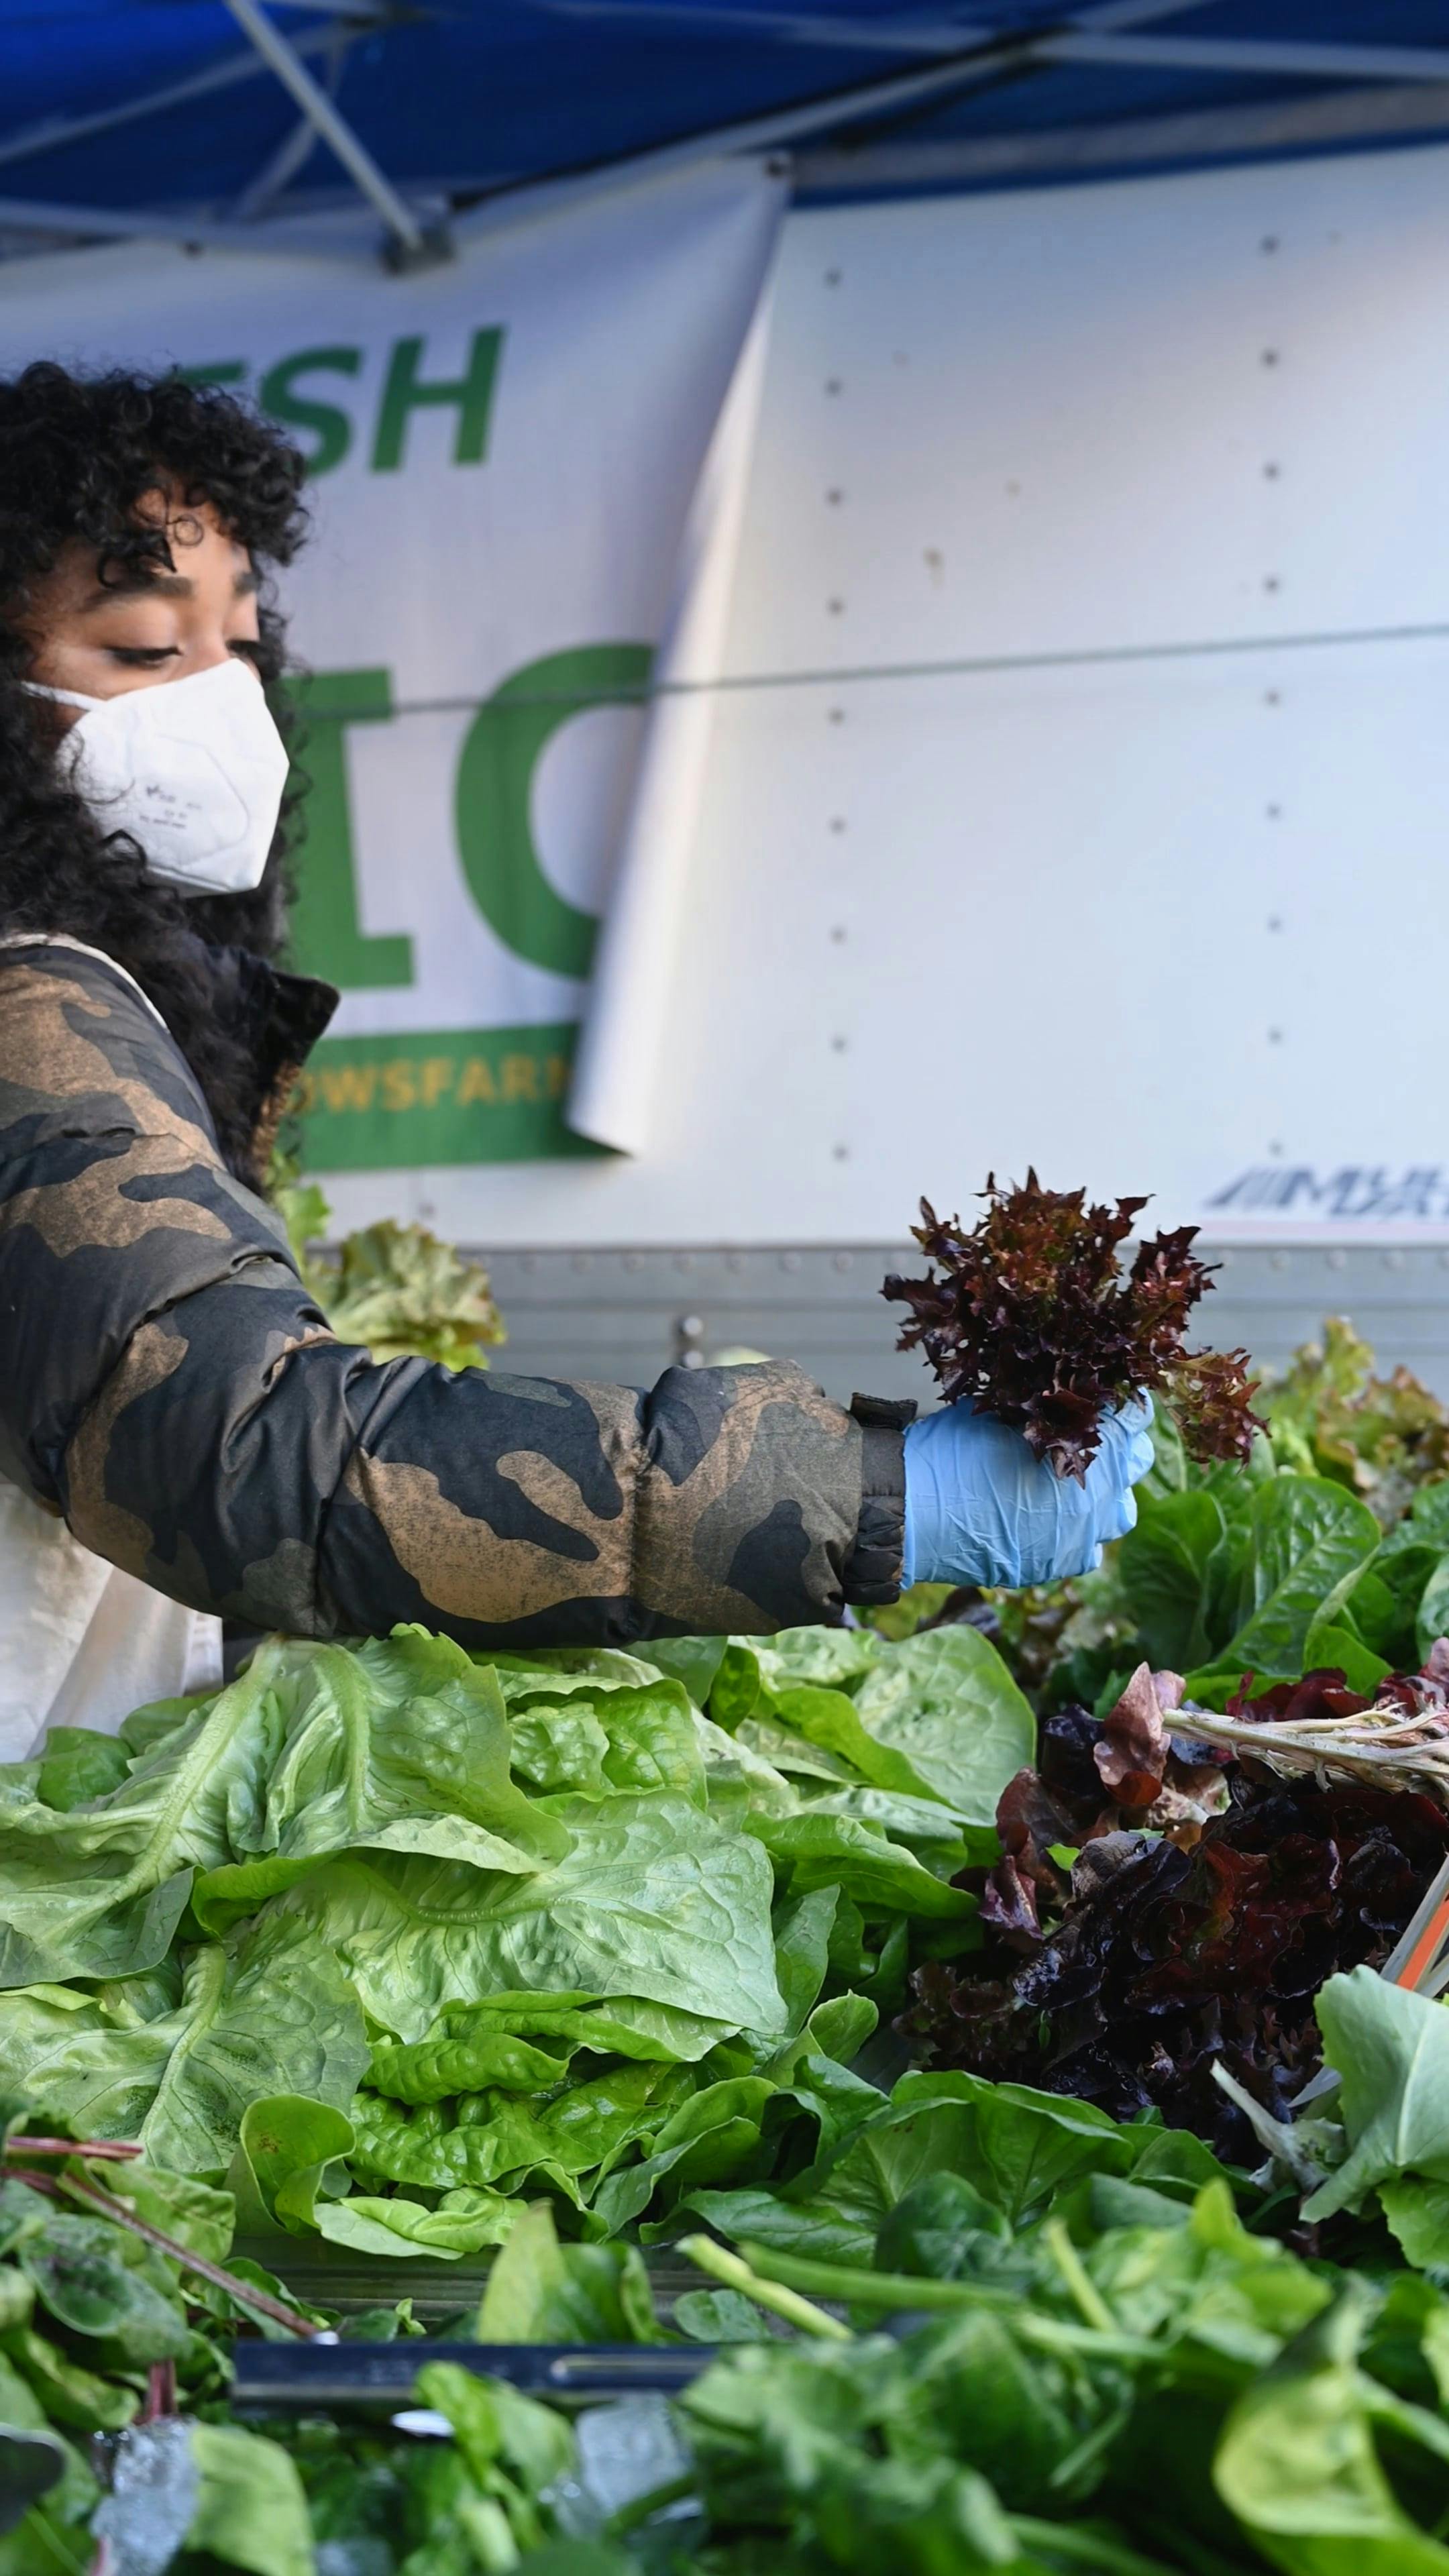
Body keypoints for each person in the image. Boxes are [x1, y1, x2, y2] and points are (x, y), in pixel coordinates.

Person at [0, 363, 1153, 1758]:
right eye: (139, 653)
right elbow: (250, 1458)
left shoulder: (89, 988)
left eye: (239, 644)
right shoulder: (25, 1011)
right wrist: (861, 1492)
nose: (226, 706)